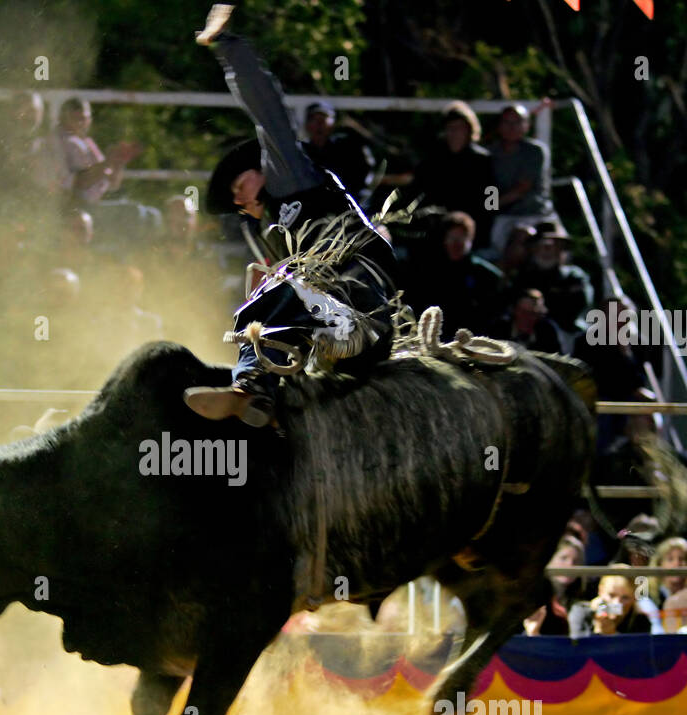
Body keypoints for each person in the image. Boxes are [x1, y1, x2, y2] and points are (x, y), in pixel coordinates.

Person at [182, 5, 400, 428]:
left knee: (280, 289)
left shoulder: (290, 175)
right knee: (264, 297)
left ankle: (255, 385)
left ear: (257, 168)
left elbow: (268, 109)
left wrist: (227, 48)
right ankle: (255, 393)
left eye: (236, 187)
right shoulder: (273, 227)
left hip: (361, 317)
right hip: (328, 333)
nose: (238, 200)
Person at [410, 101, 497, 241]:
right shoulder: (432, 159)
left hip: (473, 223)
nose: (454, 133)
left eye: (459, 128)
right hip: (436, 222)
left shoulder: (482, 160)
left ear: (469, 130)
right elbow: (417, 191)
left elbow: (492, 193)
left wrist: (488, 217)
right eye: (450, 128)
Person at [409, 211, 503, 335]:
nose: (456, 244)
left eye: (461, 239)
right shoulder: (430, 270)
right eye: (452, 238)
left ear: (470, 240)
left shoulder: (486, 275)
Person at [511, 220, 594, 348]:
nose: (547, 249)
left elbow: (576, 307)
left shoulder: (575, 276)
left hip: (567, 335)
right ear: (533, 248)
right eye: (542, 244)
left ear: (561, 249)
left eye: (553, 245)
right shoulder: (522, 276)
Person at [487, 103, 555, 254]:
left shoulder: (535, 152)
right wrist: (488, 209)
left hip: (534, 214)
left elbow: (522, 187)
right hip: (502, 217)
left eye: (517, 122)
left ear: (526, 126)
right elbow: (489, 185)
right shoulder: (490, 153)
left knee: (520, 239)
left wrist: (491, 206)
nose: (512, 127)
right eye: (507, 122)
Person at [300, 101, 375, 208]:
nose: (319, 124)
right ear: (307, 125)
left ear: (333, 124)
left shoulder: (348, 148)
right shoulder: (301, 152)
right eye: (314, 119)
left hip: (350, 208)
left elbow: (363, 180)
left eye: (324, 119)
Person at [567, 570, 654, 637]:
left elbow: (638, 655)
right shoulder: (581, 611)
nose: (617, 603)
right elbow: (577, 651)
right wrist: (597, 631)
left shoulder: (640, 621)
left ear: (634, 598)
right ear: (600, 591)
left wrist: (612, 634)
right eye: (611, 595)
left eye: (625, 598)